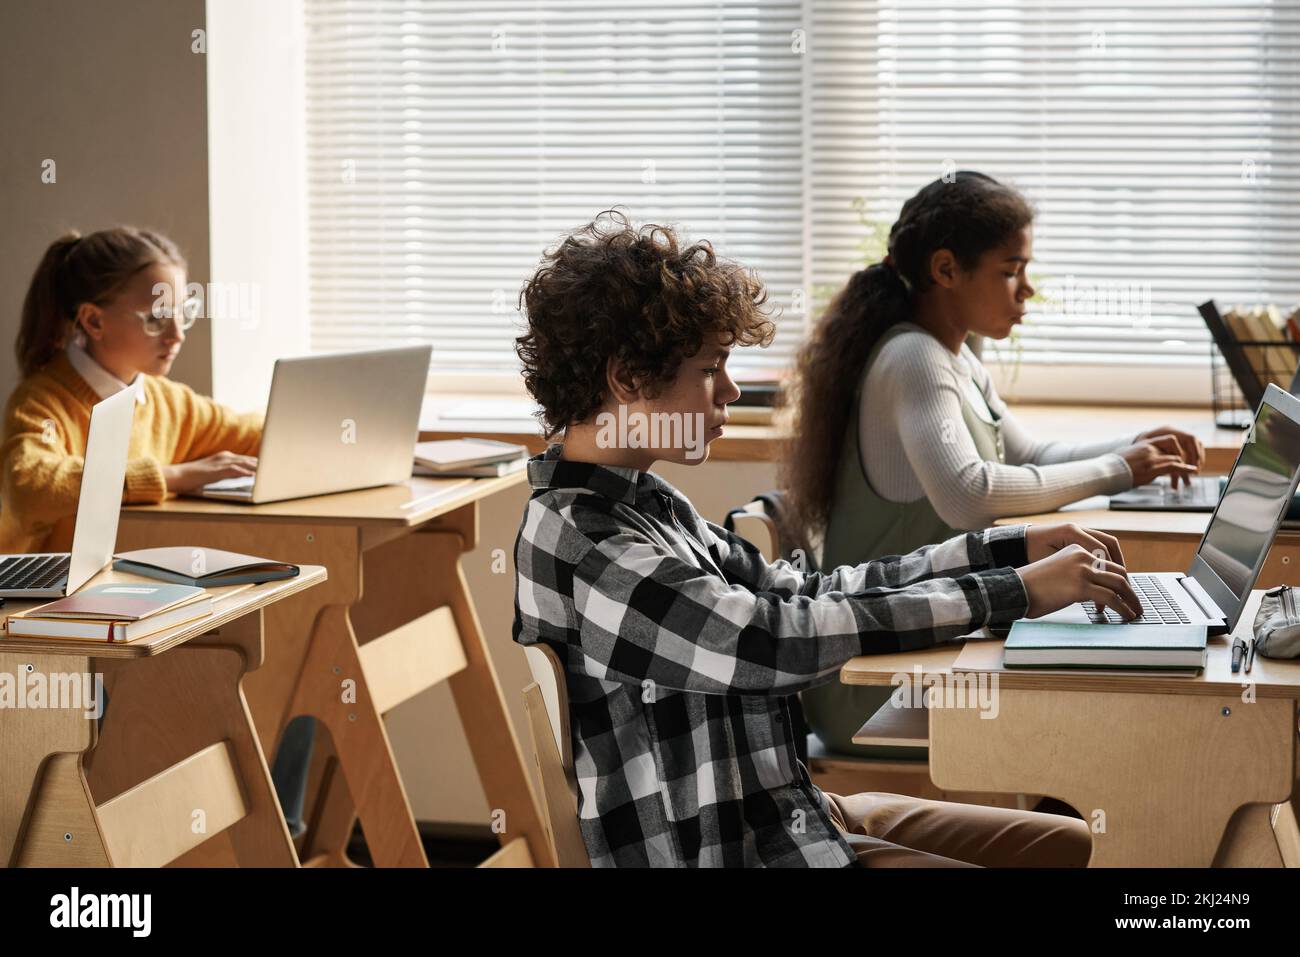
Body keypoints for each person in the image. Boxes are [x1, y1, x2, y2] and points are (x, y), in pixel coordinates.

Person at [511, 209, 1139, 866]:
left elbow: (804, 591)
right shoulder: (583, 541)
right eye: (710, 368)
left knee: (1071, 846)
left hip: (780, 807)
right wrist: (1007, 593)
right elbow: (767, 637)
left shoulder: (645, 501)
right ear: (626, 377)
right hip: (735, 847)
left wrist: (1006, 550)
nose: (730, 388)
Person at [784, 172, 1204, 756]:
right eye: (1010, 271)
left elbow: (1029, 456)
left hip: (924, 652)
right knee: (1117, 712)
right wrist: (1121, 470)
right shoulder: (913, 358)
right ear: (946, 270)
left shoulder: (955, 358)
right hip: (875, 686)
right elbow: (970, 494)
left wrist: (1135, 449)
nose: (1025, 289)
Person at [2, 226, 312, 836]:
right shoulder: (43, 402)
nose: (177, 334)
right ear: (92, 320)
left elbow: (254, 430)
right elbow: (33, 481)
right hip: (42, 625)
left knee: (291, 673)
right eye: (157, 318)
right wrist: (169, 474)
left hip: (124, 609)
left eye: (184, 314)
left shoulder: (164, 402)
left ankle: (273, 830)